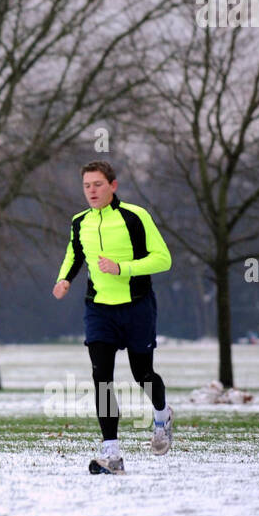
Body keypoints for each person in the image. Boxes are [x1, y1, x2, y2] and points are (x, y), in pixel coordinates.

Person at [53, 161, 174, 474]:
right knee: (101, 379)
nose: (91, 191)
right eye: (87, 186)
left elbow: (163, 259)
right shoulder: (80, 221)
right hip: (99, 308)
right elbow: (75, 253)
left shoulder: (135, 217)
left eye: (98, 184)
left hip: (137, 306)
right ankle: (112, 454)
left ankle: (162, 417)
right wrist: (64, 279)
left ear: (113, 186)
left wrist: (124, 268)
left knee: (142, 374)